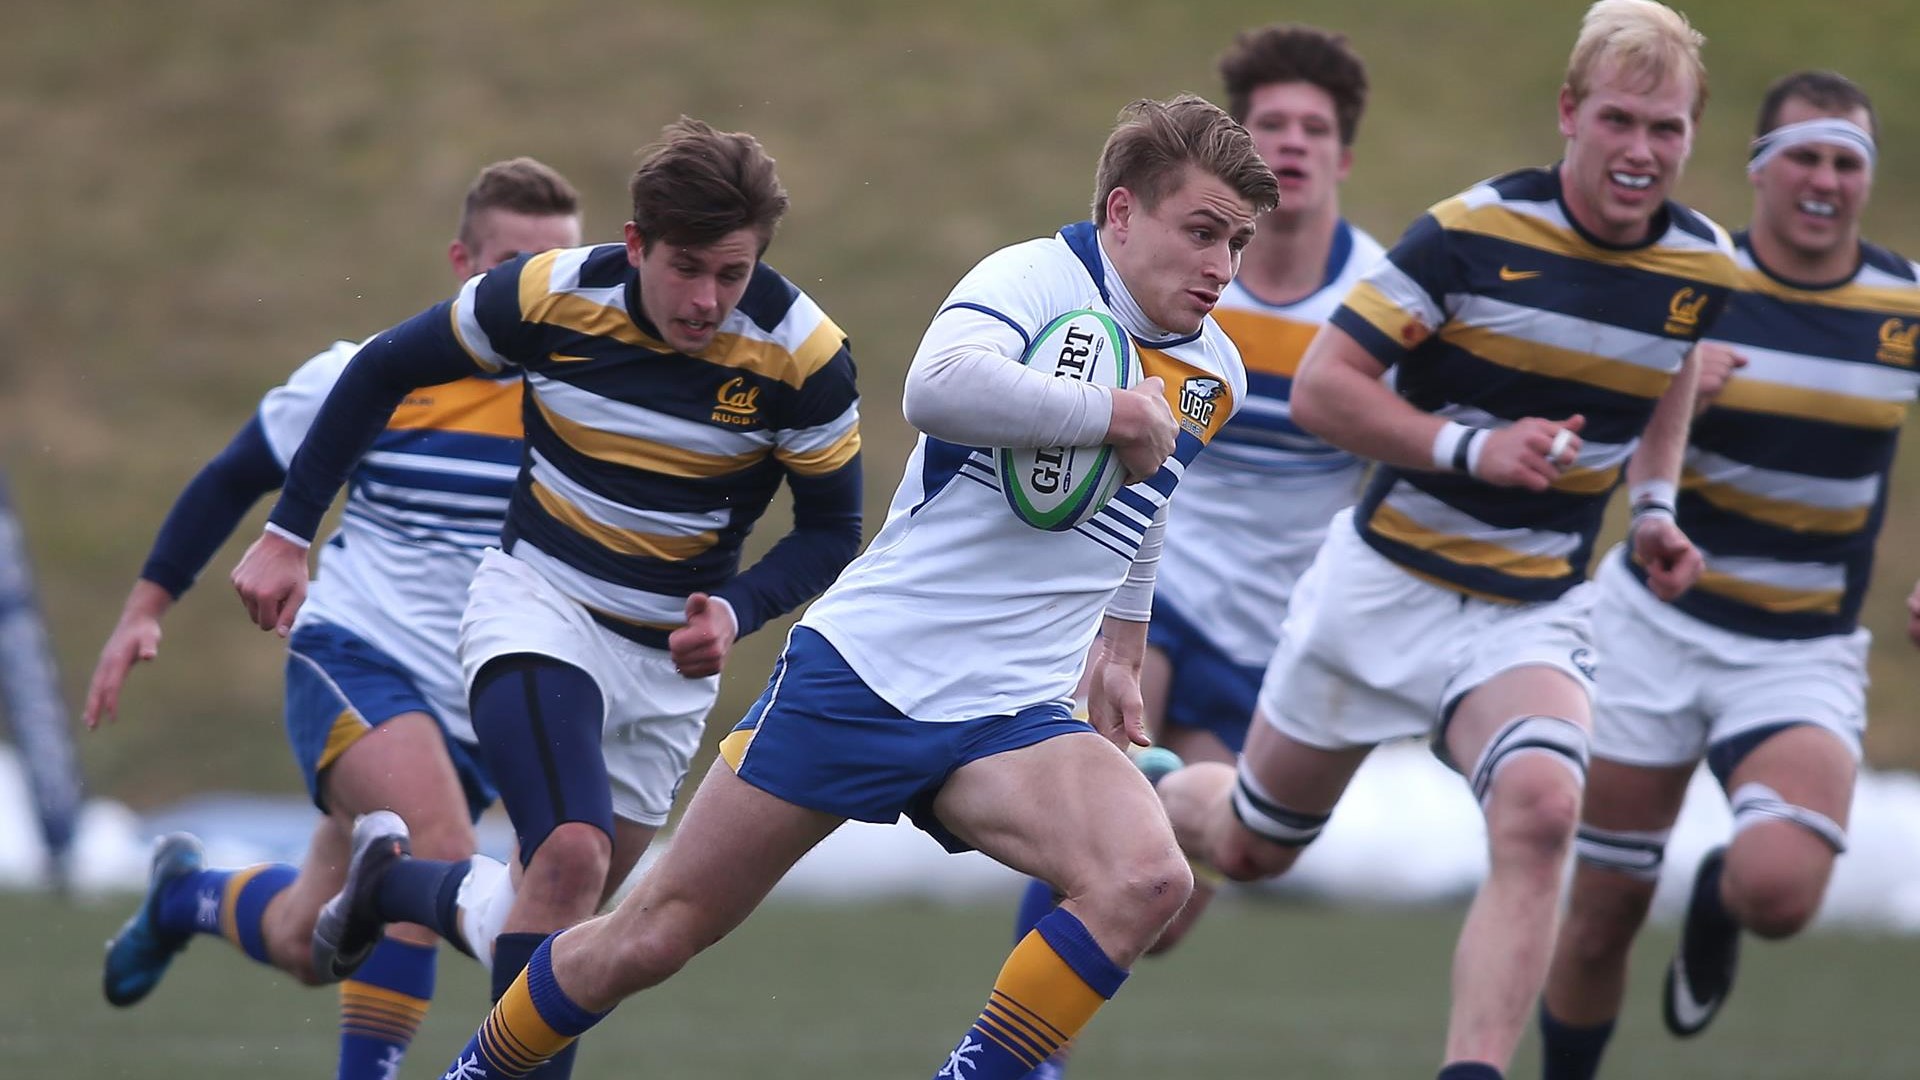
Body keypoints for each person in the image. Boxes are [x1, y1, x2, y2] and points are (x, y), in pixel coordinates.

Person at [314, 94, 1276, 1080]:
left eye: (1238, 242)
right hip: (868, 673)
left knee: (1145, 877)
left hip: (1012, 708)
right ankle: (476, 1071)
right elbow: (935, 387)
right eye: (1201, 231)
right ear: (1122, 214)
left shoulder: (1218, 371)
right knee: (650, 935)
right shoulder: (1039, 277)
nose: (1221, 266)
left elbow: (1148, 494)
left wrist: (1123, 632)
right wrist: (1105, 410)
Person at [1151, 4, 1739, 1078]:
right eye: (1619, 119)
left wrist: (1654, 513)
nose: (1641, 151)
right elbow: (1329, 388)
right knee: (1250, 845)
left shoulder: (1702, 265)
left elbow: (1671, 373)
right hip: (1384, 586)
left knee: (1542, 808)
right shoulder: (1467, 234)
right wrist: (1471, 450)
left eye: (1668, 128)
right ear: (1569, 113)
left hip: (1530, 610)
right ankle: (1156, 785)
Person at [232, 116, 865, 1080]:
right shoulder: (549, 296)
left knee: (588, 940)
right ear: (636, 243)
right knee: (565, 859)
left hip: (666, 664)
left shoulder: (803, 357)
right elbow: (382, 369)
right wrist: (287, 534)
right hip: (542, 602)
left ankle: (401, 890)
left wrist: (738, 607)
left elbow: (830, 530)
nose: (706, 301)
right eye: (686, 267)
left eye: (732, 275)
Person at [88, 158, 582, 1079]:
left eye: (549, 270)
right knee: (434, 846)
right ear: (461, 263)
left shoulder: (590, 404)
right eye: (508, 265)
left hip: (481, 694)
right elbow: (239, 473)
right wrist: (142, 610)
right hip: (356, 654)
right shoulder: (375, 373)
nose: (526, 293)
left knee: (312, 941)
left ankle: (184, 899)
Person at [1005, 25, 1381, 1079]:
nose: (1294, 144)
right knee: (1099, 801)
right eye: (1273, 126)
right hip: (1158, 595)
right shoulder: (1174, 284)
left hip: (1278, 641)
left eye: (1315, 128)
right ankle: (1022, 1059)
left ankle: (1143, 817)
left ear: (1343, 156)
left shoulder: (1384, 304)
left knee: (1168, 898)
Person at [1538, 70, 1920, 1079]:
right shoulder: (1688, 286)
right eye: (1805, 154)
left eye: (1848, 160)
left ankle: (1718, 899)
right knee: (1602, 912)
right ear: (1758, 168)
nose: (1826, 178)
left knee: (1781, 891)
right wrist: (1661, 396)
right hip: (1655, 627)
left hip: (1800, 649)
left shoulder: (1903, 303)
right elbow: (1564, 449)